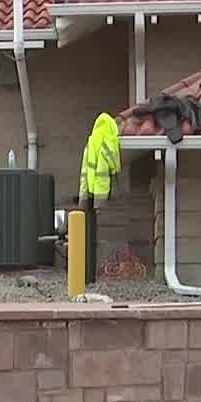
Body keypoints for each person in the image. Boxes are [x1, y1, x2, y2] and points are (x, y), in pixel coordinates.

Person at [77, 110, 122, 287]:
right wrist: (116, 172)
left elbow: (85, 167)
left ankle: (86, 276)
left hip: (89, 188)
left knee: (89, 231)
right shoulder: (108, 138)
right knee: (95, 231)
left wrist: (83, 196)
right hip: (103, 187)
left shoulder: (91, 140)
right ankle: (90, 277)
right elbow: (112, 160)